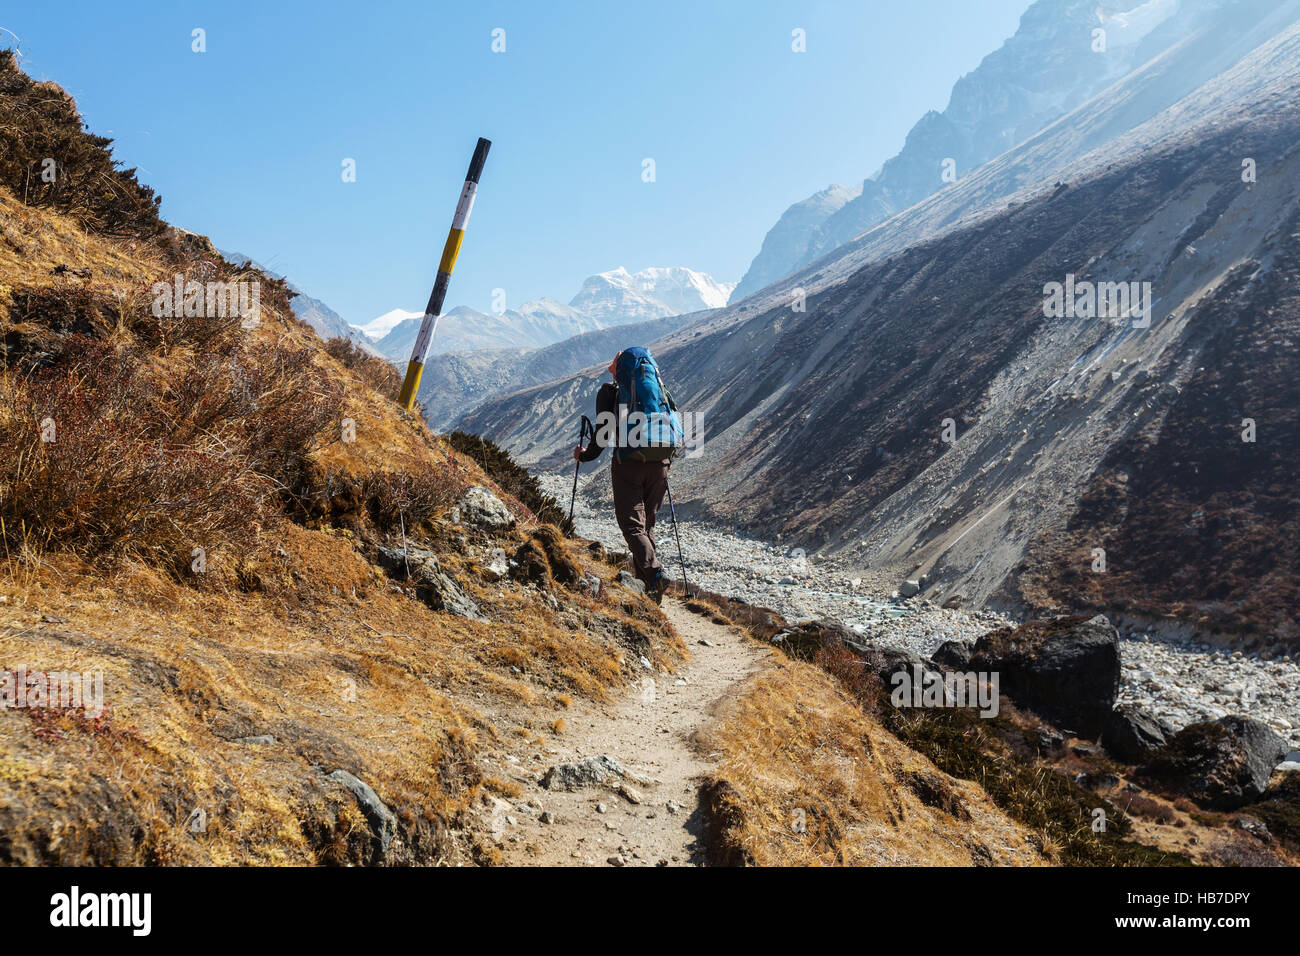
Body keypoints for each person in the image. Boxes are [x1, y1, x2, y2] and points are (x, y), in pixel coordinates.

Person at [573, 349, 675, 603]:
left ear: (618, 367)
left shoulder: (609, 391)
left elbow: (603, 435)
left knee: (631, 524)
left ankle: (654, 573)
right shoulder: (656, 388)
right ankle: (649, 591)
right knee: (646, 526)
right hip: (661, 462)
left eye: (613, 361)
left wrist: (584, 455)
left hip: (629, 462)